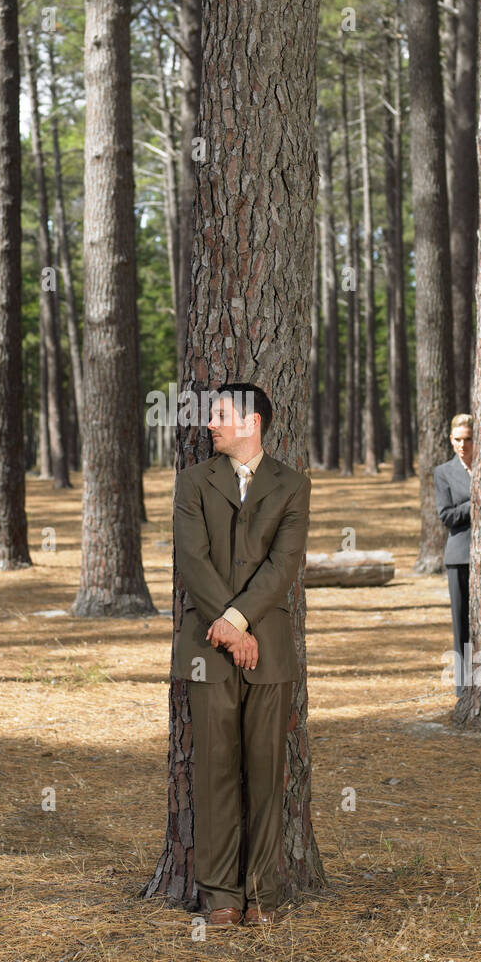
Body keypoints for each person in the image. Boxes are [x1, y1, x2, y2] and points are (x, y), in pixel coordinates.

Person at [172, 382, 310, 927]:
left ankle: (263, 894)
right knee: (215, 772)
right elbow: (192, 559)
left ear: (253, 422)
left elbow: (284, 565)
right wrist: (228, 627)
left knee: (266, 771)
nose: (210, 424)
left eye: (221, 415)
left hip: (267, 647)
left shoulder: (292, 486)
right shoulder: (192, 483)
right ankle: (220, 896)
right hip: (208, 646)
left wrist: (241, 621)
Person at [434, 414, 473, 697]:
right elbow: (446, 515)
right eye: (458, 440)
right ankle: (464, 688)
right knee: (462, 624)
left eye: (468, 439)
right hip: (459, 556)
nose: (463, 445)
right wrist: (477, 502)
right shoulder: (444, 472)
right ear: (451, 440)